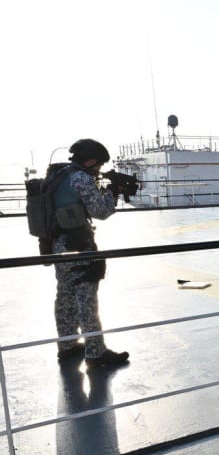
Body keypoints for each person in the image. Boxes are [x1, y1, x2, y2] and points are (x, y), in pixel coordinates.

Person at [52, 139, 129, 368]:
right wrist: (112, 191)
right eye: (98, 165)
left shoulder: (61, 175)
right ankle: (95, 353)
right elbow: (101, 211)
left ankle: (67, 346)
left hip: (58, 245)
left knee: (65, 295)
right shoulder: (81, 178)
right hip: (77, 245)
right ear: (91, 161)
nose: (98, 170)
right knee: (86, 297)